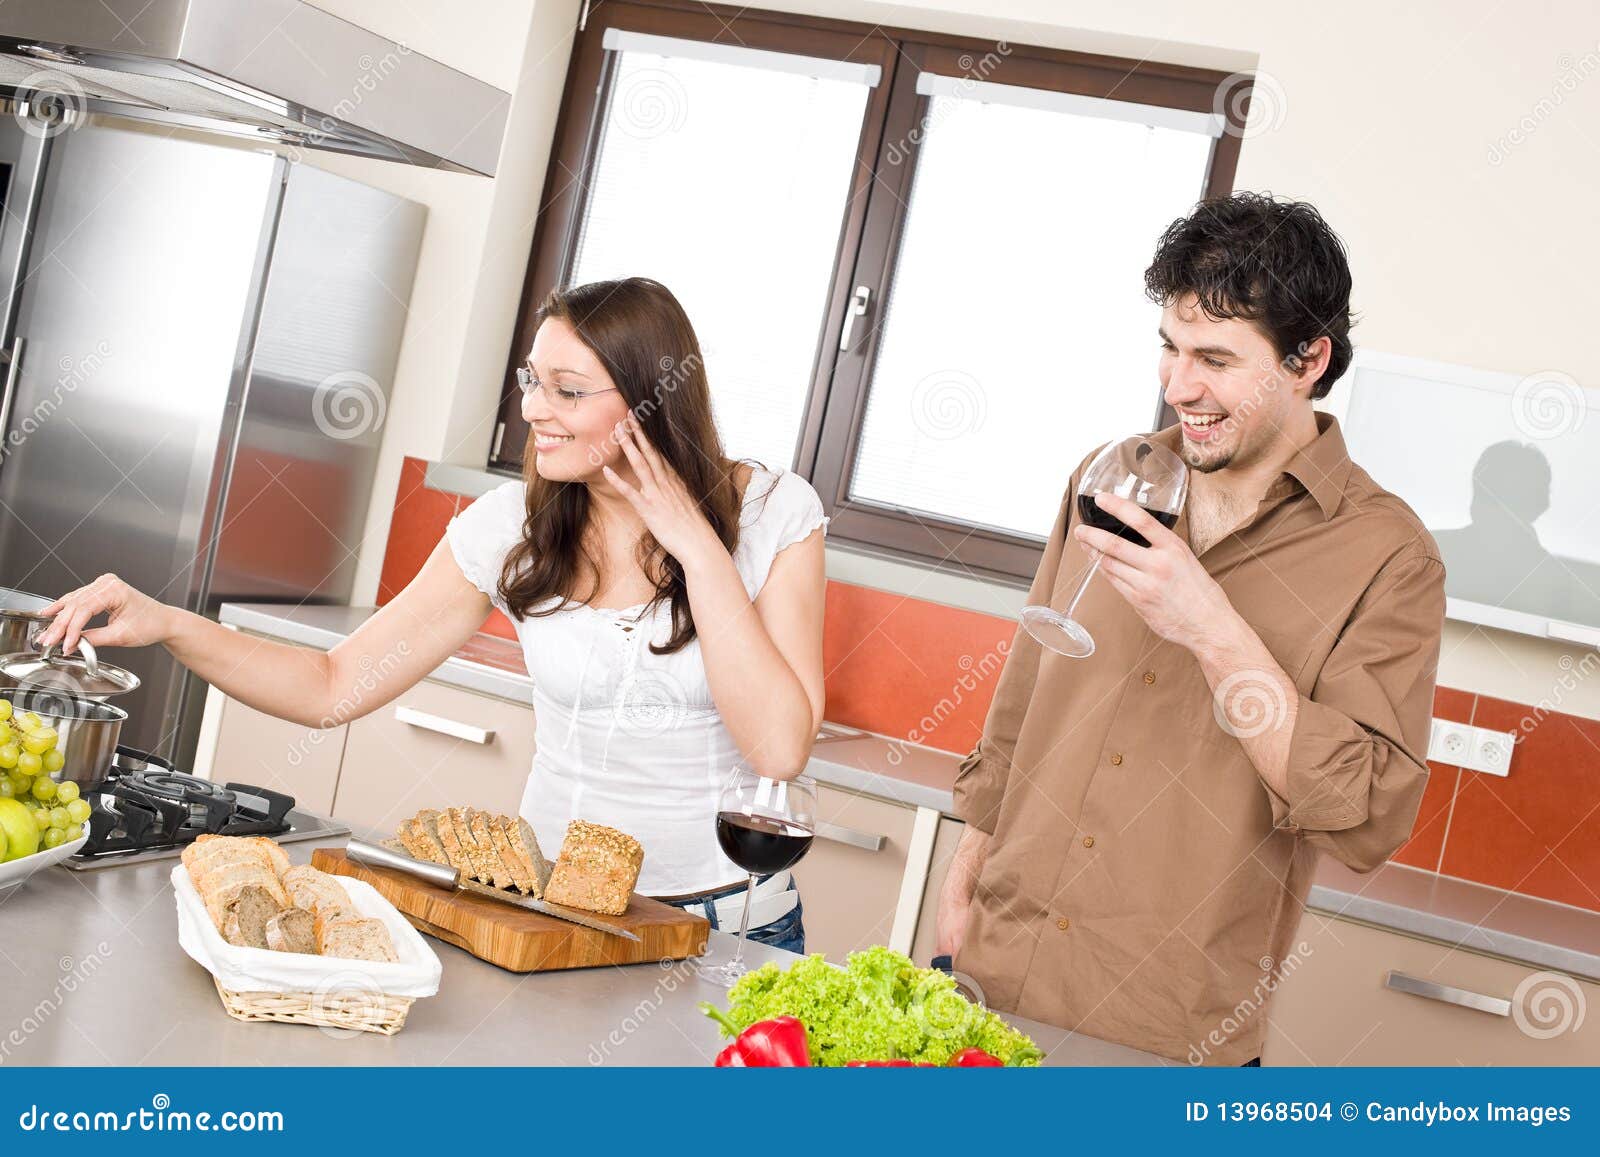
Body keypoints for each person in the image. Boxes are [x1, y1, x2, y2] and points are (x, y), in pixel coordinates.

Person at [38, 277, 828, 950]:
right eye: (531, 380)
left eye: (567, 390)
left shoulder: (770, 515)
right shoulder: (511, 524)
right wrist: (172, 622)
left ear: (653, 400)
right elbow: (331, 684)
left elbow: (778, 746)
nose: (532, 410)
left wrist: (695, 545)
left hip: (731, 925)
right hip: (552, 915)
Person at [935, 194, 1446, 1065]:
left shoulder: (1389, 557)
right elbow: (1026, 688)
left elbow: (1365, 818)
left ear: (1308, 359)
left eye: (1214, 357)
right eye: (1169, 349)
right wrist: (966, 869)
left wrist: (1213, 627)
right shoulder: (1112, 478)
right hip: (990, 979)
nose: (1178, 386)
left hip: (1169, 1033)